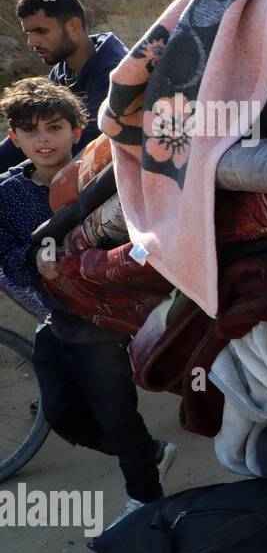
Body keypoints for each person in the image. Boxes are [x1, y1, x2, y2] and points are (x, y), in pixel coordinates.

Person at [0, 79, 176, 528]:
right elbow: (7, 258)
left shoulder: (103, 173)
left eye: (54, 127)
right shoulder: (6, 193)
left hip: (106, 314)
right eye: (30, 130)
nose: (44, 139)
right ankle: (149, 452)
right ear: (13, 136)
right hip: (56, 317)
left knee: (115, 411)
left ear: (77, 131)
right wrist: (34, 260)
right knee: (64, 416)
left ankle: (146, 496)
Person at [0, 0, 128, 170]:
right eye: (29, 34)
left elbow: (69, 150)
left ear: (74, 26)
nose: (32, 42)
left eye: (41, 31)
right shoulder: (64, 69)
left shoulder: (113, 73)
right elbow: (28, 129)